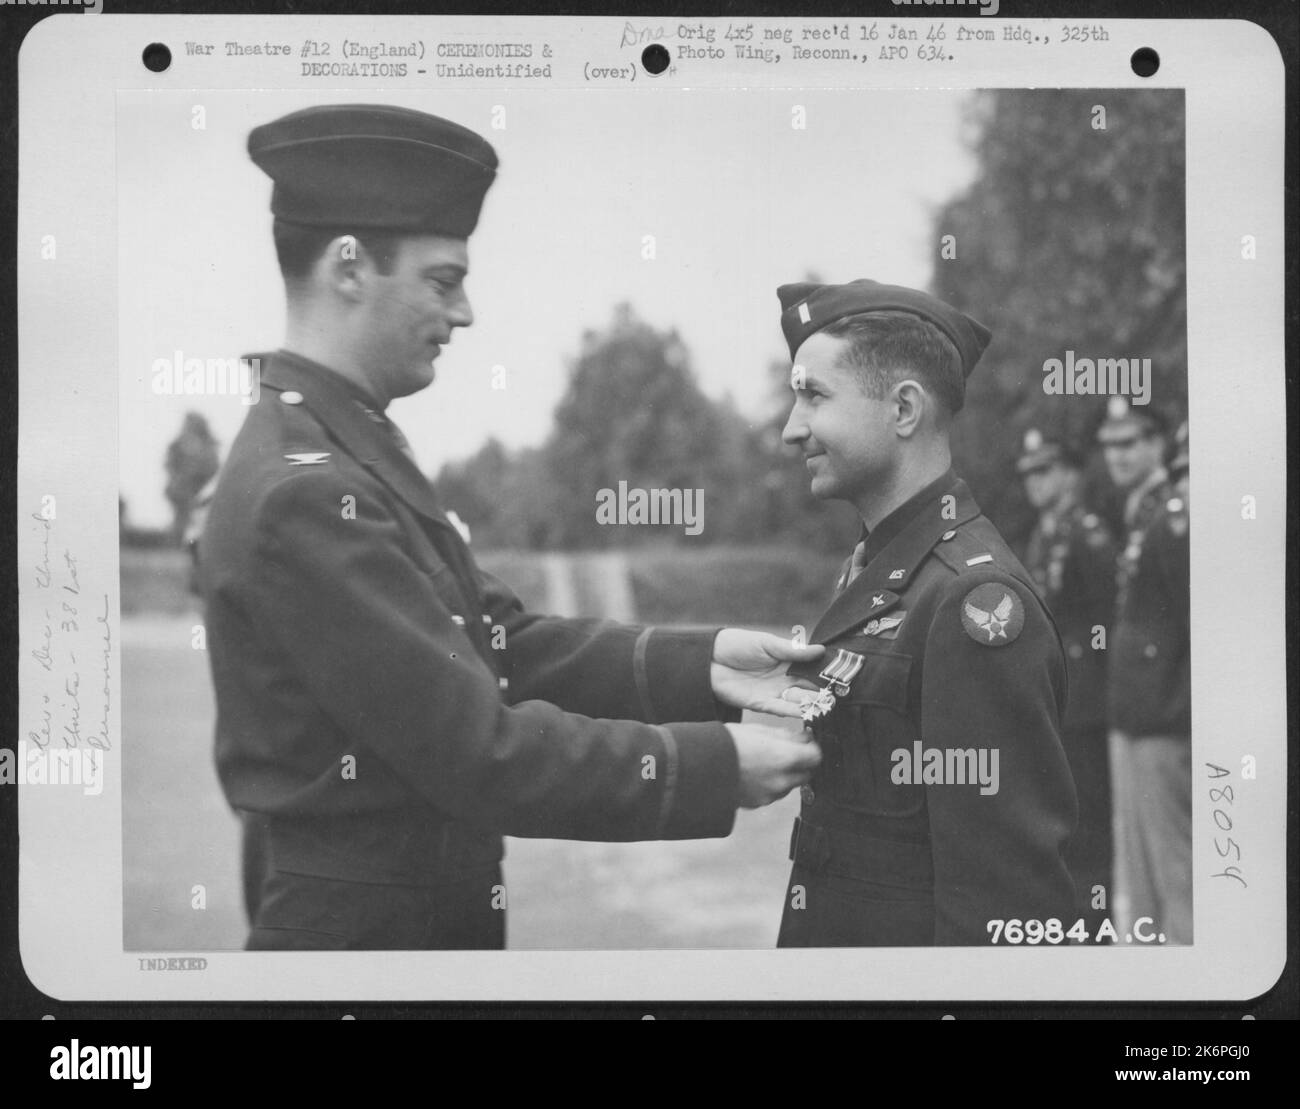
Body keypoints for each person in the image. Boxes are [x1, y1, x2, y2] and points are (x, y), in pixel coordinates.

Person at [197, 103, 822, 950]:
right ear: (350, 267)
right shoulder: (303, 489)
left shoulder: (344, 445)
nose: (465, 315)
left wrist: (702, 662)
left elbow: (503, 643)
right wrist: (711, 765)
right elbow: (476, 749)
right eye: (443, 280)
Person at [773, 279, 1077, 947]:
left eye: (814, 396)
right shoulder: (878, 566)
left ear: (904, 408)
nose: (792, 429)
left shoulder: (974, 605)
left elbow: (1005, 911)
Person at [1017, 429, 1117, 936]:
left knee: (1090, 821)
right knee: (1065, 817)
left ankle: (1095, 924)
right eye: (1029, 473)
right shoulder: (1047, 532)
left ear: (1073, 473)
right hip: (1059, 698)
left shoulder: (1086, 532)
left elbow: (1107, 618)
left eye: (1046, 470)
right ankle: (1074, 919)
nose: (1035, 482)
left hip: (1088, 700)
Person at [1105, 409, 1190, 943]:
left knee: (1173, 873)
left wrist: (1175, 709)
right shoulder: (1145, 511)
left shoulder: (1173, 512)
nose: (1117, 454)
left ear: (1160, 445)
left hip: (1163, 717)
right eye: (1108, 443)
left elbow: (1193, 621)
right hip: (1140, 711)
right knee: (1143, 878)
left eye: (1131, 441)